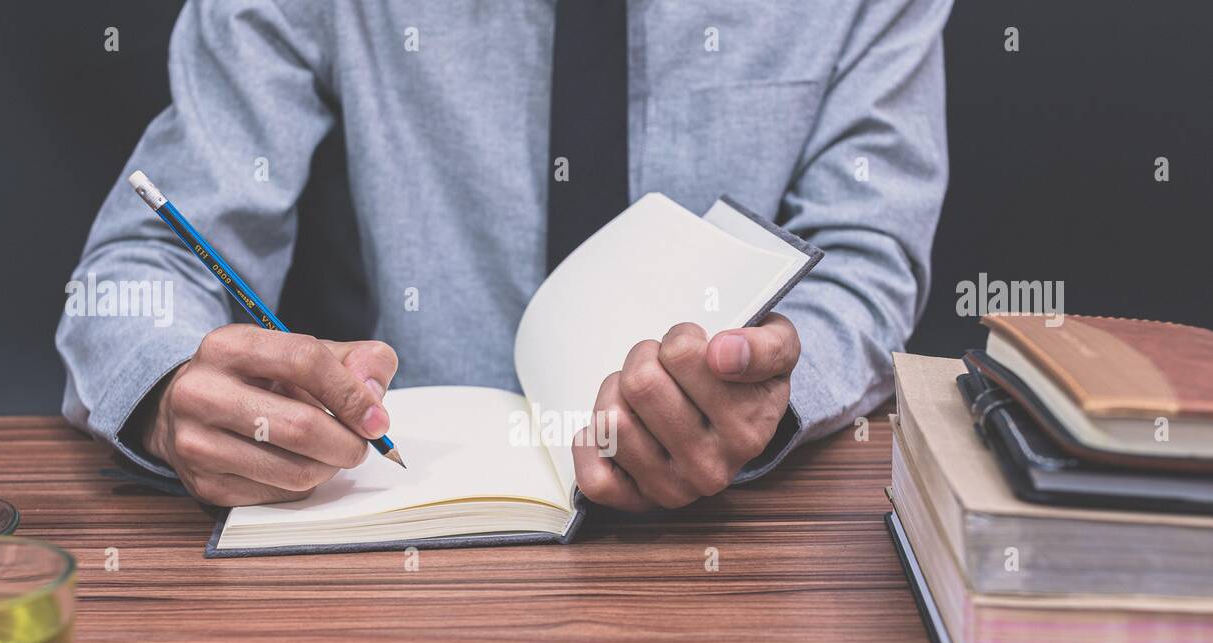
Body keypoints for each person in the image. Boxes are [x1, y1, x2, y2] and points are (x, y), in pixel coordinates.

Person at [56, 0, 950, 510]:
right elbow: (139, 264)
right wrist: (172, 393)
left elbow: (865, 258)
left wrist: (768, 390)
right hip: (402, 529)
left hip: (739, 545)